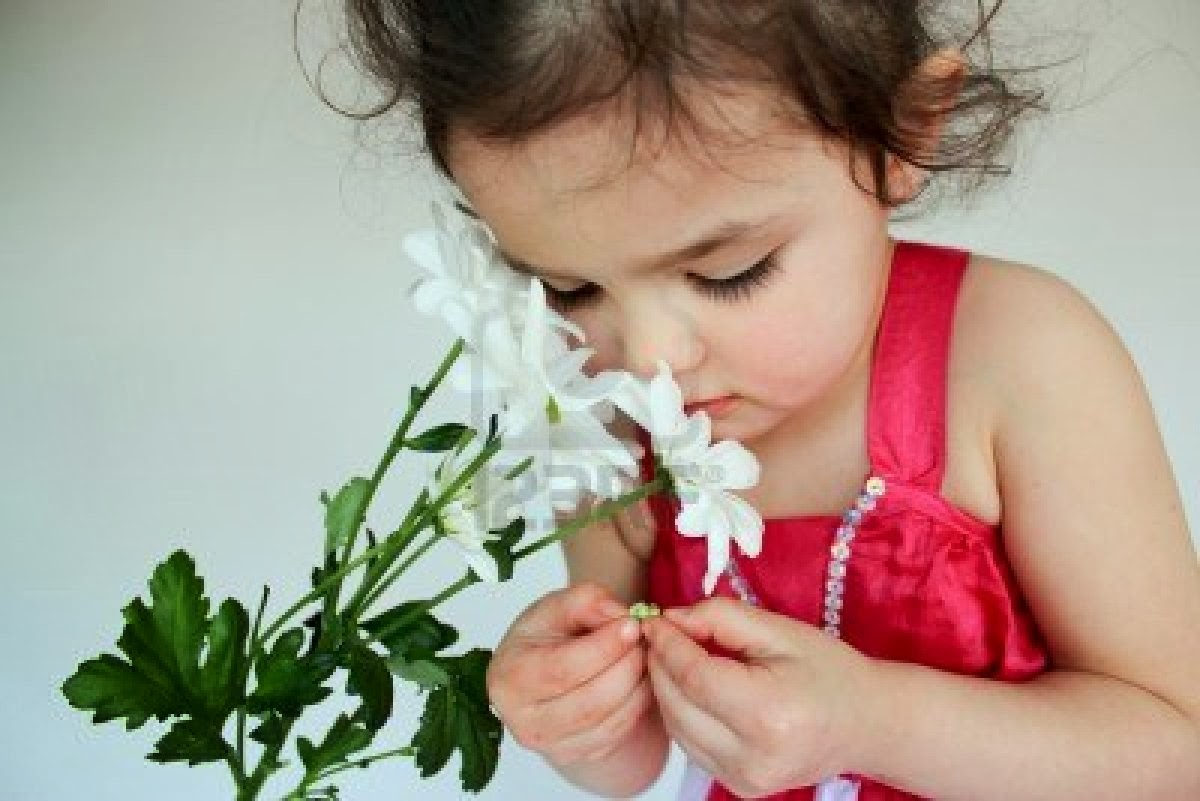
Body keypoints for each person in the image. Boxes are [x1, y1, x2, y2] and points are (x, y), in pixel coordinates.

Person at [335, 2, 1200, 798]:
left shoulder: (1021, 358)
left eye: (726, 272)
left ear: (902, 134)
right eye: (568, 289)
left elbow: (1174, 747)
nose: (650, 362)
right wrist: (576, 717)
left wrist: (869, 718)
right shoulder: (605, 429)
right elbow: (635, 759)